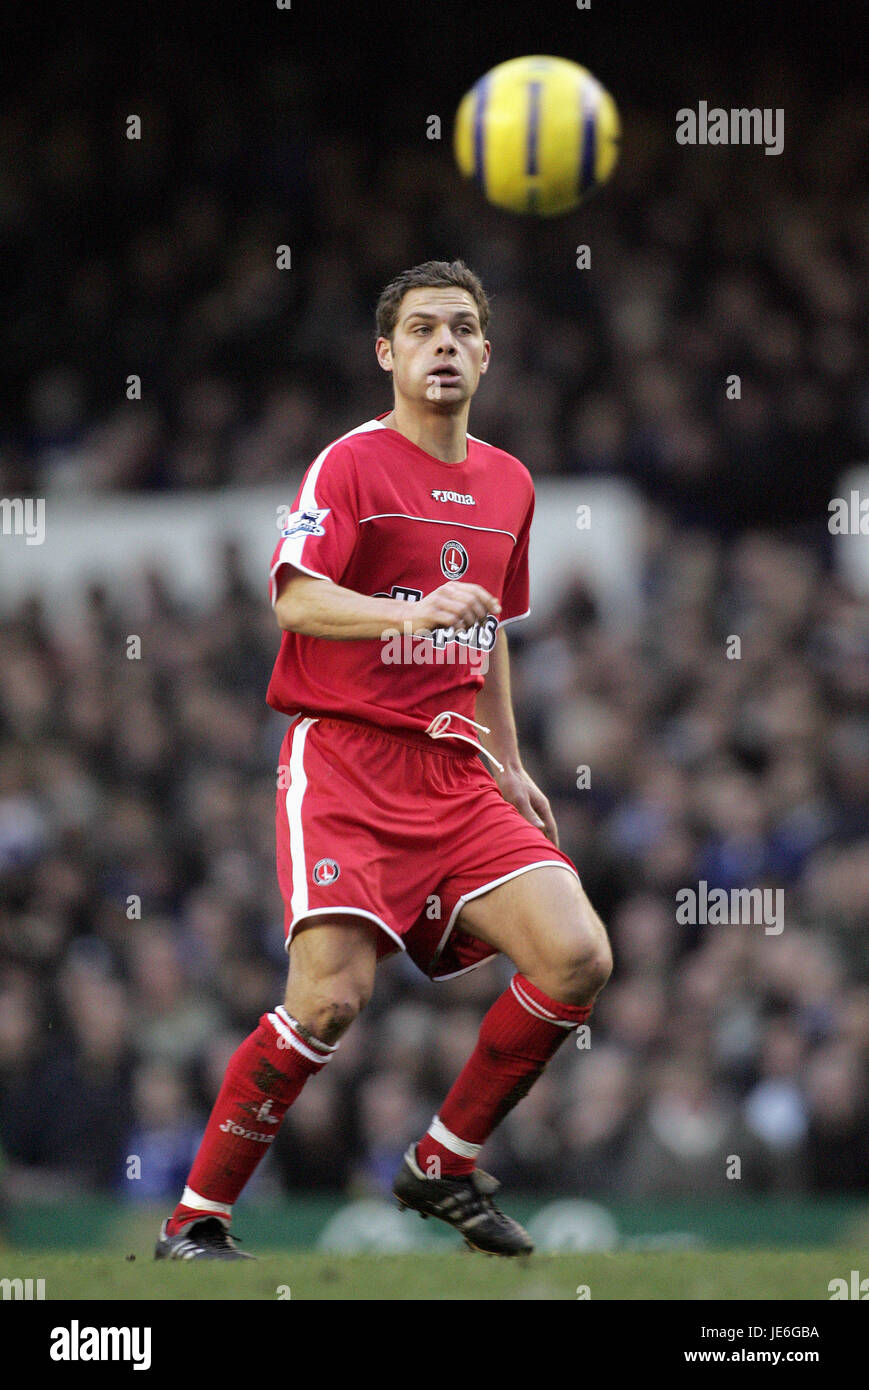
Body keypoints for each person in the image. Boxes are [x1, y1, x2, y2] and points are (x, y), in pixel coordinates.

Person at [155, 260, 612, 1260]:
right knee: (329, 997)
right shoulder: (350, 465)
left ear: (485, 355)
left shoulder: (510, 483)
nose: (441, 344)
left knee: (577, 954)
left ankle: (442, 1162)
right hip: (347, 763)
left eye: (460, 329)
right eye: (420, 330)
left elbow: (487, 631)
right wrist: (409, 611)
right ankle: (197, 1220)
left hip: (455, 772)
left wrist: (510, 757)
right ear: (386, 353)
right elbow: (294, 598)